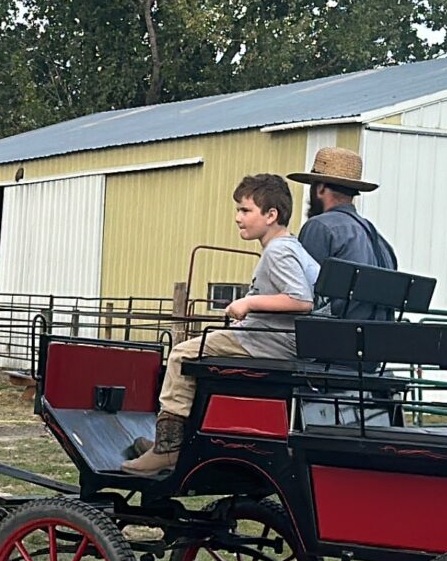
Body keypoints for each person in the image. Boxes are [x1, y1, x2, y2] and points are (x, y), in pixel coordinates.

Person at [123, 174, 314, 475]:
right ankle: (182, 440)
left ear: (271, 215)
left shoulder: (278, 251)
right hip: (271, 340)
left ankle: (168, 448)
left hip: (265, 343)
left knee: (181, 355)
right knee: (201, 346)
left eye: (245, 210)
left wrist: (248, 303)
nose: (238, 218)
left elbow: (301, 300)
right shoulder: (294, 247)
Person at [291, 146, 398, 316]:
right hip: (376, 337)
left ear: (320, 189)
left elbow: (299, 292)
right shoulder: (378, 238)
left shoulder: (319, 226)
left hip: (334, 336)